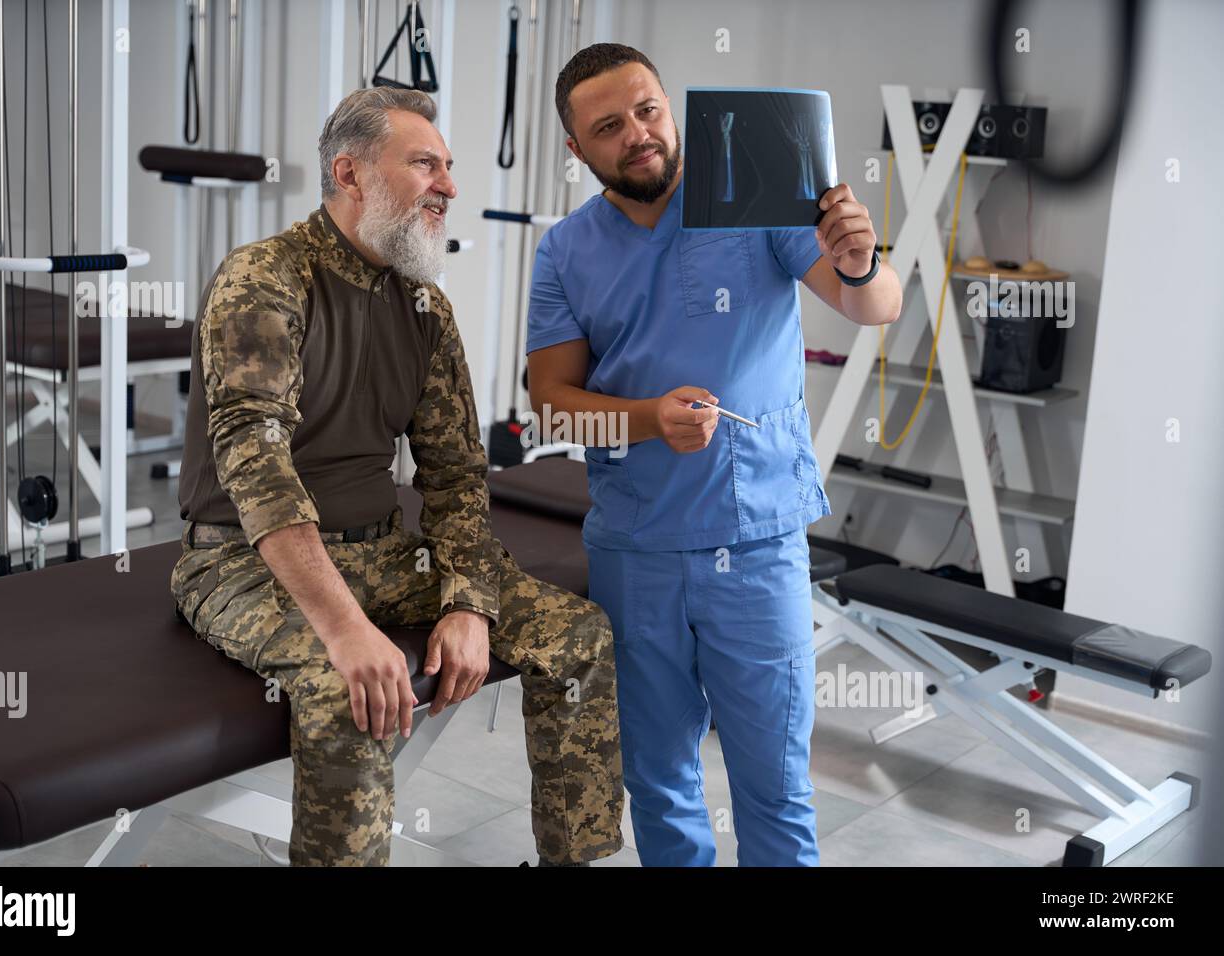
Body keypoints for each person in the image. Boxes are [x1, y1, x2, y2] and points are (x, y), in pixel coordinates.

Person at [171, 86, 624, 867]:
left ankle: (572, 860)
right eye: (425, 164)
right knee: (347, 693)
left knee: (577, 634)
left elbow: (456, 477)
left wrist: (467, 600)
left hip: (383, 552)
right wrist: (347, 631)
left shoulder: (425, 309)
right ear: (350, 173)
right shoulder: (264, 281)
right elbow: (257, 466)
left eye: (449, 166)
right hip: (242, 563)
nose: (449, 184)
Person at [526, 44, 902, 866]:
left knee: (772, 782)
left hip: (757, 539)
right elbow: (553, 402)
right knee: (658, 781)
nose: (638, 134)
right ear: (577, 150)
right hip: (638, 548)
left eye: (649, 110)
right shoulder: (564, 253)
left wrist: (860, 258)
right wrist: (648, 421)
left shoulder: (753, 203)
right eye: (609, 126)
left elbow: (873, 304)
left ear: (671, 108)